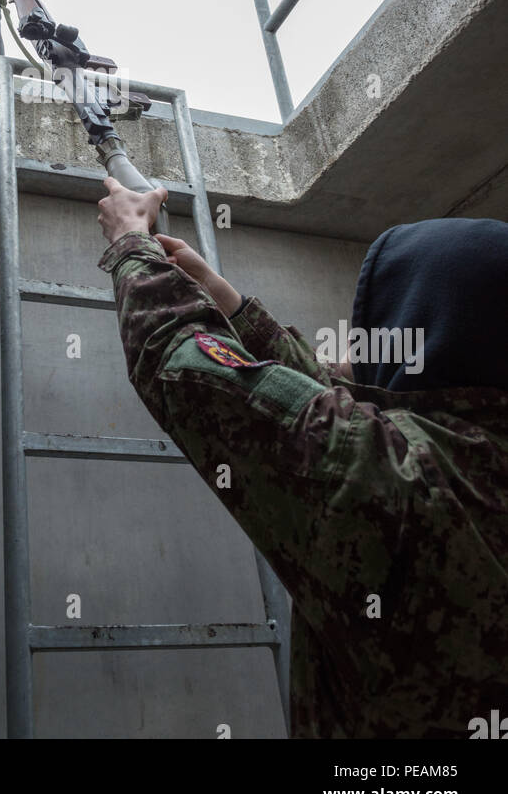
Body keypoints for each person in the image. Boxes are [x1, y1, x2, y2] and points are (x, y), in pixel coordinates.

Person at [96, 178, 508, 739]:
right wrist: (227, 302)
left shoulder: (403, 476)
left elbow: (185, 366)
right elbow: (332, 407)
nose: (350, 353)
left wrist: (130, 243)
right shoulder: (469, 452)